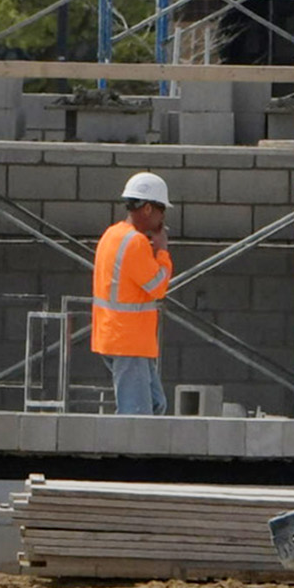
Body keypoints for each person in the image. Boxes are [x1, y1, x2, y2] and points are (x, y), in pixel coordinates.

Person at [92, 171, 175, 416]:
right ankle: (126, 453)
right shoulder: (135, 243)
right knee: (135, 414)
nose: (163, 219)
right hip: (129, 340)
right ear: (148, 209)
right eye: (162, 211)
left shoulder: (112, 235)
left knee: (156, 404)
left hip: (118, 336)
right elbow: (158, 287)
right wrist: (162, 252)